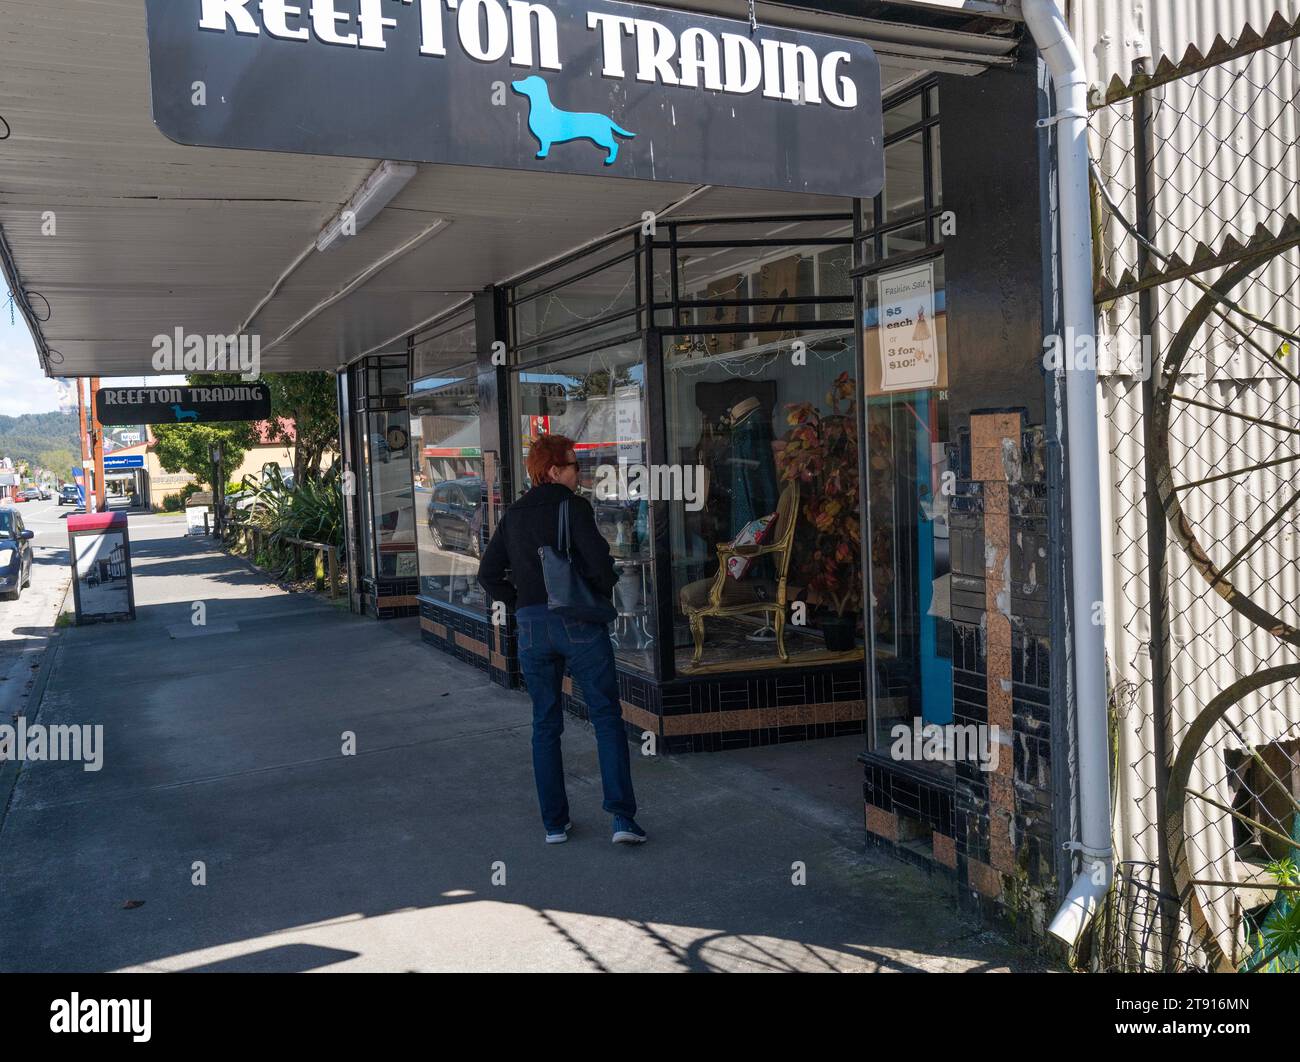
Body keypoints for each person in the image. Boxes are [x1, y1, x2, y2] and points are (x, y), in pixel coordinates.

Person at [476, 435, 647, 846]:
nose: (579, 473)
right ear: (554, 470)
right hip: (578, 624)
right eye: (574, 465)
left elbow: (487, 574)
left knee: (545, 723)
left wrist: (520, 603)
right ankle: (622, 819)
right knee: (605, 717)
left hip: (533, 627)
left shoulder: (514, 514)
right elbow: (598, 564)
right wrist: (601, 589)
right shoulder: (574, 507)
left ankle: (554, 824)